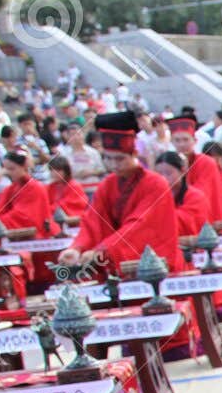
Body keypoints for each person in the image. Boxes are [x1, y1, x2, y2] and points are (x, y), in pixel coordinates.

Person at [58, 111, 179, 275]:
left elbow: (139, 224)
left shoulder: (155, 183)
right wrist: (77, 248)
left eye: (120, 159)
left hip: (153, 262)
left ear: (135, 154)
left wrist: (103, 249)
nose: (114, 164)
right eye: (108, 158)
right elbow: (93, 221)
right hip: (116, 257)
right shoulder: (107, 185)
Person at [0, 150, 55, 299]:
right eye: (6, 169)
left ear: (24, 166)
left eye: (12, 168)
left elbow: (25, 216)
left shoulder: (35, 187)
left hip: (35, 237)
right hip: (14, 237)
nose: (9, 173)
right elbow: (0, 210)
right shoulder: (11, 188)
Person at [167, 110, 222, 225]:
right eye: (177, 140)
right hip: (179, 217)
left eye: (185, 140)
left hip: (206, 218)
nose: (182, 144)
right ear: (171, 142)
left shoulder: (206, 162)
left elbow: (200, 194)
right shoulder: (168, 164)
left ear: (194, 141)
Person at [153, 150, 213, 237]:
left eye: (168, 173)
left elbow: (191, 223)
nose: (163, 178)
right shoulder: (154, 197)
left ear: (182, 171)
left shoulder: (196, 197)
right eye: (159, 174)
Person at [44, 156, 87, 221]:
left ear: (66, 171)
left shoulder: (74, 186)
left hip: (73, 220)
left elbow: (69, 205)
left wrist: (50, 209)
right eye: (52, 170)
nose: (54, 173)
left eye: (58, 170)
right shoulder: (50, 187)